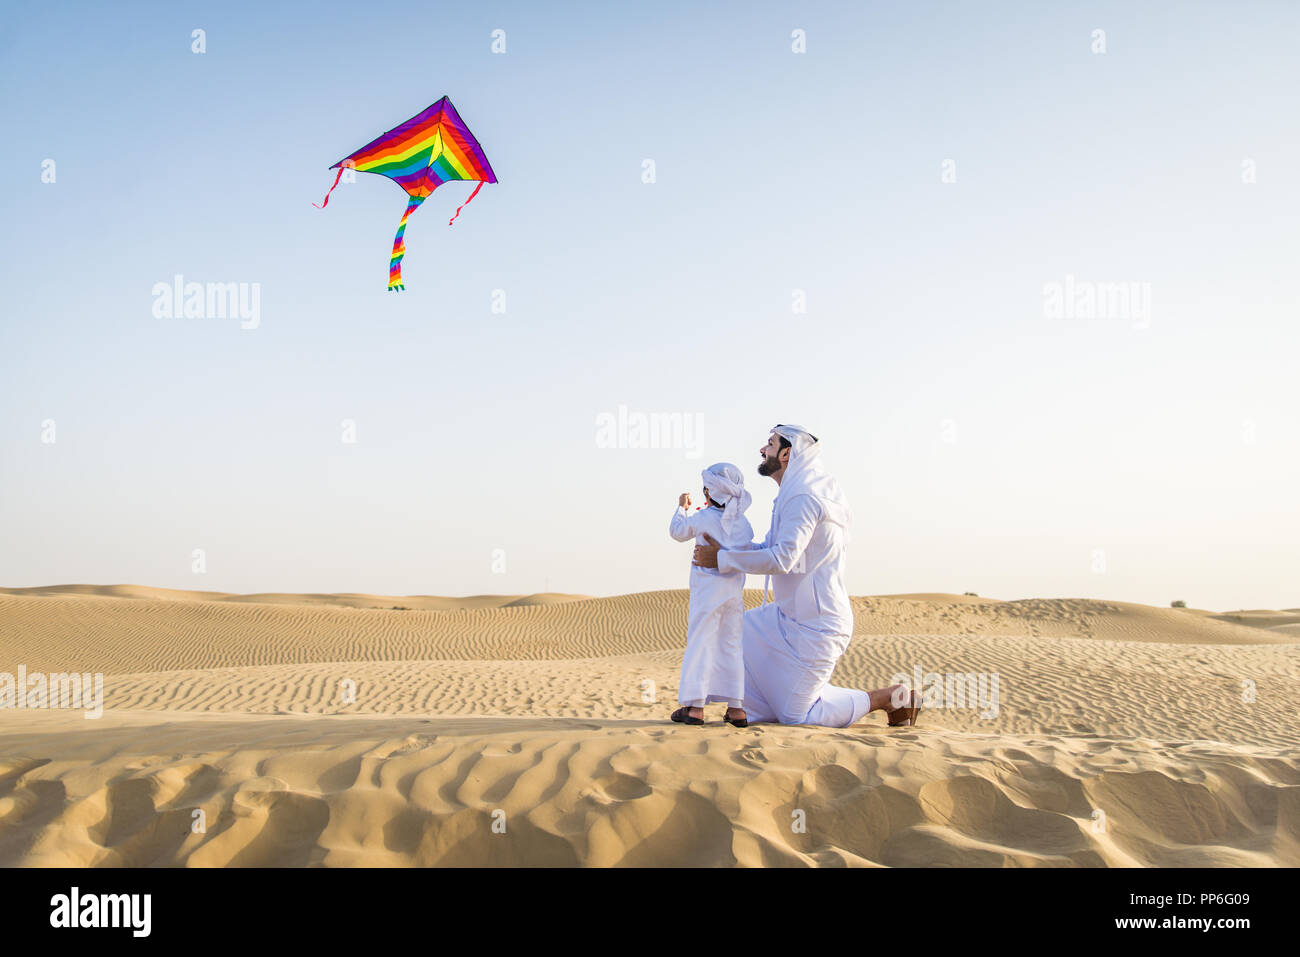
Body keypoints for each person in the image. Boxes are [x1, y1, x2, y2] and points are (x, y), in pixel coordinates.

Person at [692, 425, 919, 727]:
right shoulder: (795, 494)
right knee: (734, 631)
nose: (762, 450)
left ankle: (888, 698)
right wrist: (726, 546)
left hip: (817, 626)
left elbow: (782, 559)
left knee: (797, 716)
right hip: (783, 619)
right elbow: (769, 548)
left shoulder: (803, 497)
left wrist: (721, 558)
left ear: (786, 454)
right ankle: (747, 708)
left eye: (769, 445)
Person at [667, 463, 753, 727]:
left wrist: (681, 506)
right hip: (733, 596)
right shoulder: (744, 524)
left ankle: (695, 707)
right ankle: (737, 709)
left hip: (707, 594)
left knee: (701, 643)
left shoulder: (704, 518)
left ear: (709, 492)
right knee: (732, 646)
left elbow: (677, 532)